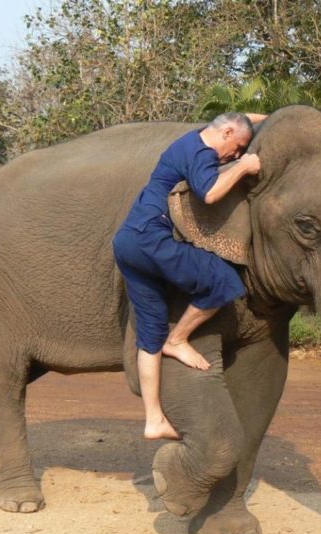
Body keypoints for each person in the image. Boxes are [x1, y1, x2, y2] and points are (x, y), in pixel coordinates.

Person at [113, 112, 266, 440]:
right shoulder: (202, 154)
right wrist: (244, 167)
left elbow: (237, 119)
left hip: (127, 242)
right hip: (151, 239)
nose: (236, 154)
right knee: (224, 282)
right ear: (225, 133)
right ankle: (179, 338)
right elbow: (209, 193)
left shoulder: (192, 139)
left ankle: (153, 419)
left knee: (149, 334)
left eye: (240, 153)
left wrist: (274, 118)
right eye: (237, 147)